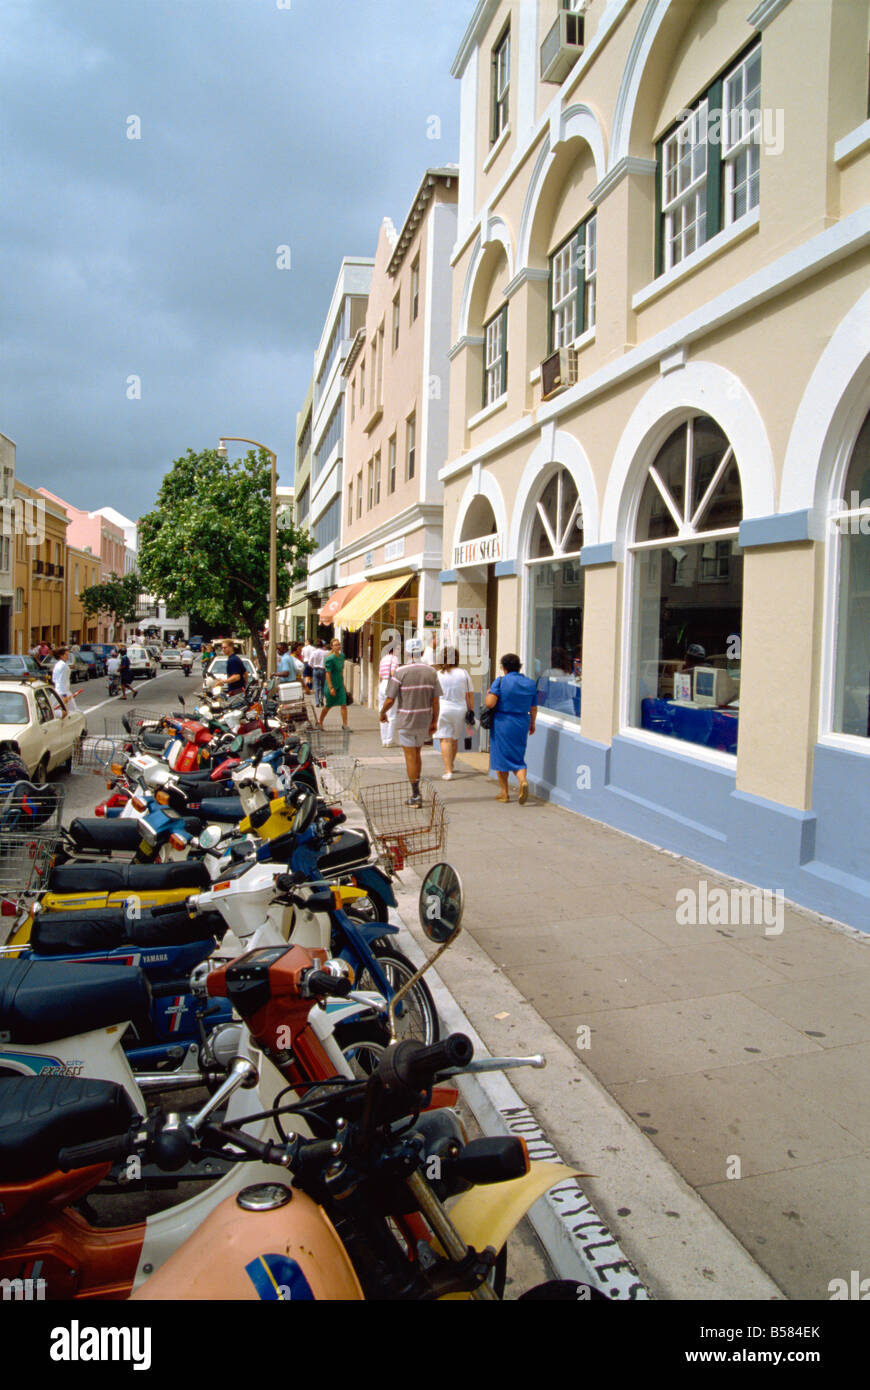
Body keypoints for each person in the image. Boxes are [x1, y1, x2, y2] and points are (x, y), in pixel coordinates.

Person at [380, 636, 441, 808]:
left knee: (410, 756)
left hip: (406, 720)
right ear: (422, 651)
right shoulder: (431, 672)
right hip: (424, 719)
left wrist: (382, 712)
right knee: (417, 754)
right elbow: (436, 701)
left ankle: (415, 794)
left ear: (407, 652)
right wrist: (434, 721)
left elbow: (390, 699)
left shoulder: (400, 672)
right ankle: (416, 790)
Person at [485, 653, 537, 805]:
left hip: (503, 721)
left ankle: (504, 792)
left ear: (503, 667)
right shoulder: (530, 683)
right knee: (517, 756)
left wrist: (489, 693)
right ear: (519, 666)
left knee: (501, 756)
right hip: (522, 721)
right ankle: (523, 781)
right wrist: (532, 723)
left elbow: (490, 703)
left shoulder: (500, 682)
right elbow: (534, 708)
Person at [434, 646, 473, 780]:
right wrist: (471, 710)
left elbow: (433, 696)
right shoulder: (464, 673)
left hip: (443, 708)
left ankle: (448, 770)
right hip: (460, 709)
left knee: (445, 739)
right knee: (454, 738)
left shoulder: (438, 675)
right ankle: (451, 764)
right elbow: (469, 695)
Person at [319, 637, 348, 729]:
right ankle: (320, 722)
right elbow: (328, 673)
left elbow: (341, 671)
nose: (338, 646)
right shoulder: (330, 659)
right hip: (331, 684)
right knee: (328, 705)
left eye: (339, 644)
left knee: (343, 704)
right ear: (331, 647)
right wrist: (331, 687)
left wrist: (343, 684)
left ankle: (345, 724)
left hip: (339, 684)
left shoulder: (342, 656)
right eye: (335, 645)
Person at [377, 643, 400, 748]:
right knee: (392, 714)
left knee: (382, 712)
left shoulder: (383, 659)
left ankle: (383, 739)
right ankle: (389, 740)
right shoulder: (394, 659)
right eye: (398, 649)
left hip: (382, 685)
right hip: (390, 684)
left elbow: (380, 675)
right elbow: (393, 673)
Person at [51, 646, 79, 714]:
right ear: (61, 656)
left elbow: (54, 679)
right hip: (63, 692)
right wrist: (64, 695)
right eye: (66, 655)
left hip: (57, 691)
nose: (68, 657)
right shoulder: (64, 666)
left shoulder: (57, 664)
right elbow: (62, 681)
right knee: (74, 712)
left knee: (56, 711)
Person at [309, 639, 327, 706]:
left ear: (316, 646)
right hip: (323, 669)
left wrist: (313, 666)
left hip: (315, 669)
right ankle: (322, 699)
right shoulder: (325, 653)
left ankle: (317, 702)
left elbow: (310, 662)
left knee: (316, 686)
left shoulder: (314, 652)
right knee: (323, 685)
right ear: (322, 645)